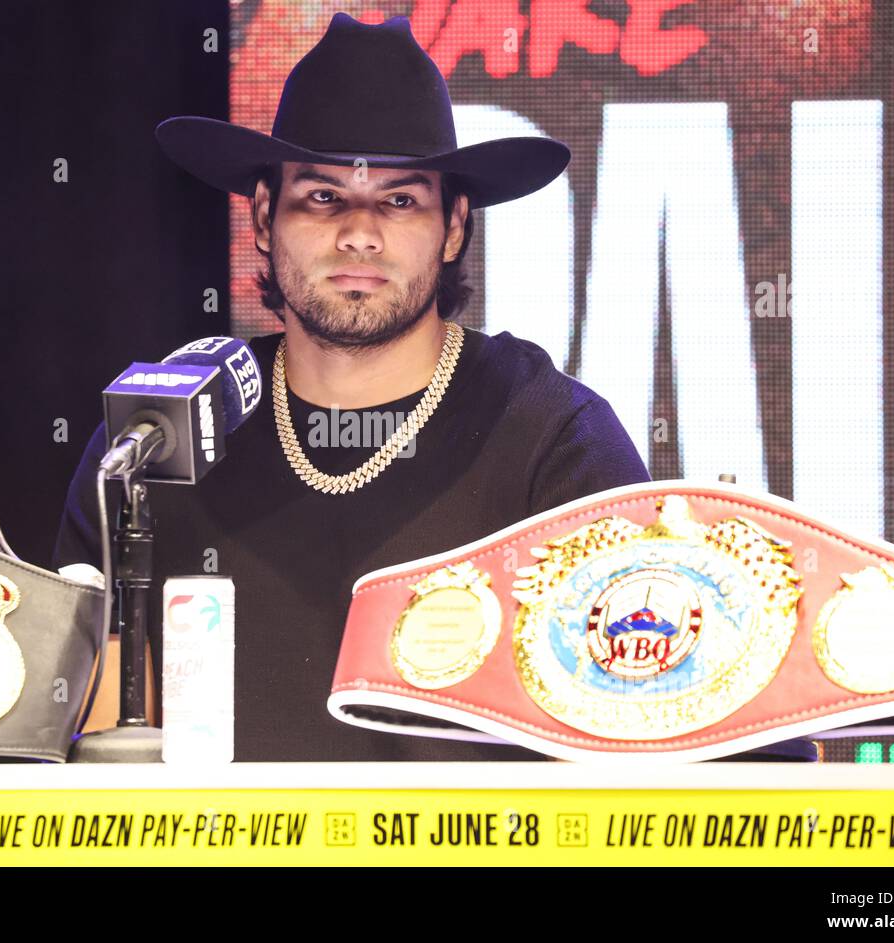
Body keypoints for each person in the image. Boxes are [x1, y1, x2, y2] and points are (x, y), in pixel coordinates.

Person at [53, 12, 651, 761]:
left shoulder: (548, 436)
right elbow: (97, 761)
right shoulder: (158, 433)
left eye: (400, 200)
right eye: (323, 197)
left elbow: (638, 722)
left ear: (455, 226)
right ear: (265, 218)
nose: (360, 233)